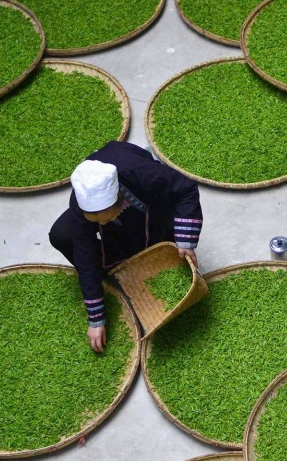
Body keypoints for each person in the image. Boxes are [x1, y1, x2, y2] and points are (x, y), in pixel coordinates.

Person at [49, 141, 203, 352]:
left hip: (150, 200)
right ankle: (112, 271)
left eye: (105, 218)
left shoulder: (144, 174)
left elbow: (186, 189)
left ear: (119, 199)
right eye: (96, 221)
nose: (102, 224)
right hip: (111, 204)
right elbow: (85, 253)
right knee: (62, 234)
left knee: (158, 235)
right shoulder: (79, 199)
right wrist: (96, 319)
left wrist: (186, 241)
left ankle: (147, 245)